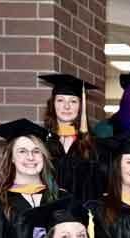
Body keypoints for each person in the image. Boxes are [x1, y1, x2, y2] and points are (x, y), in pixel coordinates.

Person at [39, 73, 104, 203]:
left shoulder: (94, 145)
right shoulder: (41, 142)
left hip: (83, 216)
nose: (67, 106)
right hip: (47, 215)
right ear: (53, 104)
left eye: (73, 101)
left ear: (81, 106)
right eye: (60, 100)